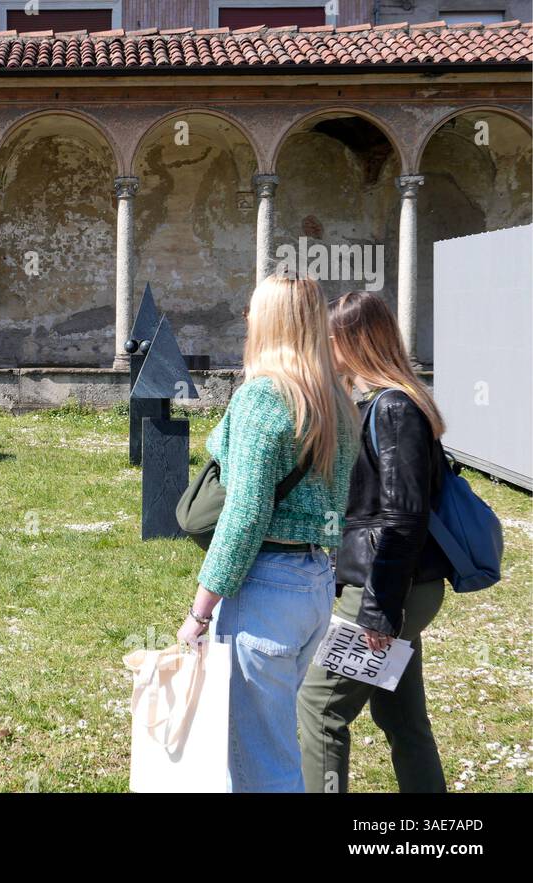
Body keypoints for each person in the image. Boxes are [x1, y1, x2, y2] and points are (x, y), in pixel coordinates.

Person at [175, 274, 359, 792]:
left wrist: (199, 612)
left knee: (262, 766)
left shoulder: (262, 398)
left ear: (270, 321)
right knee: (273, 745)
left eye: (253, 310)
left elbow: (245, 516)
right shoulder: (336, 399)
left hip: (267, 589)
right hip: (313, 583)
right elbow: (337, 504)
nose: (246, 318)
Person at [298, 290, 451, 793]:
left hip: (385, 588)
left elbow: (403, 518)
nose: (322, 347)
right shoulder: (384, 403)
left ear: (353, 340)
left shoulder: (393, 408)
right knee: (401, 717)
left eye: (328, 337)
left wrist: (377, 610)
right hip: (398, 586)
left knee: (320, 708)